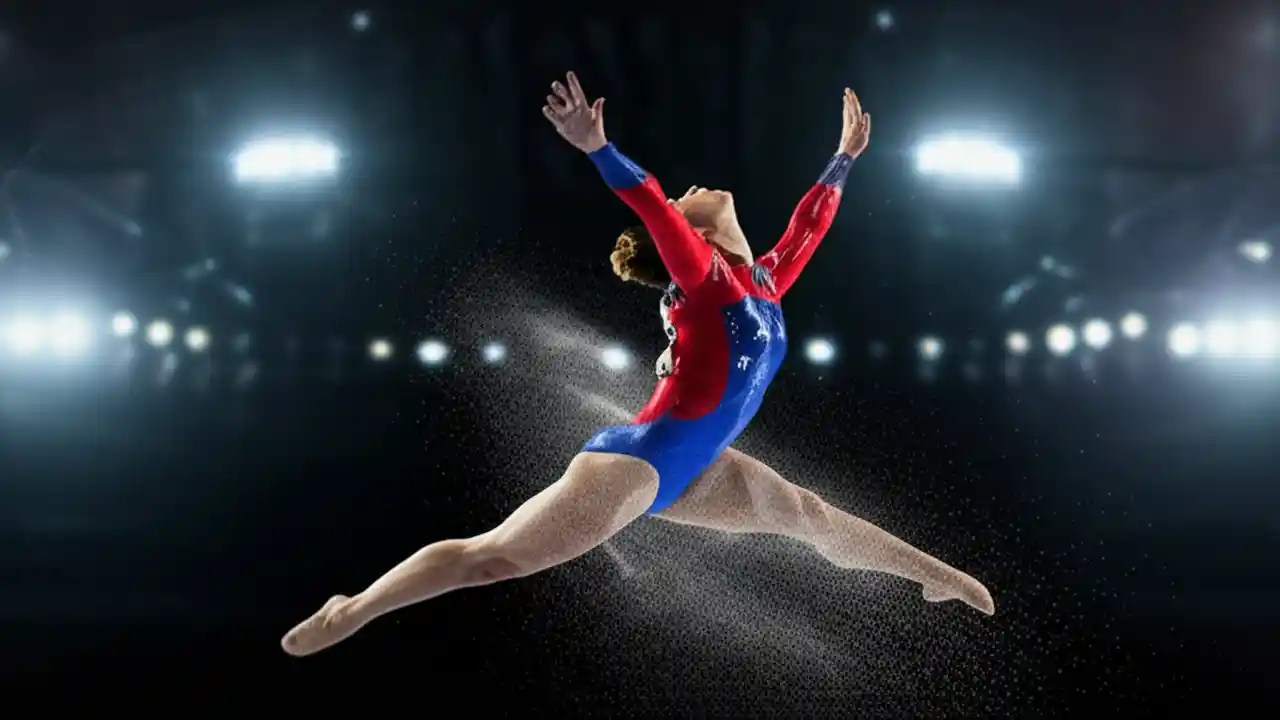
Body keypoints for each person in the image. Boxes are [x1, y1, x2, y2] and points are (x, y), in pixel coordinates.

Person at [281, 71, 991, 658]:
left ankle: (933, 576)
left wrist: (845, 157)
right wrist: (598, 148)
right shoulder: (703, 275)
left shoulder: (763, 282)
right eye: (687, 201)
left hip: (699, 468)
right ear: (697, 229)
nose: (692, 189)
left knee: (804, 512)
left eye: (689, 196)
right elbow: (652, 204)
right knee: (491, 559)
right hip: (638, 462)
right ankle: (355, 607)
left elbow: (810, 222)